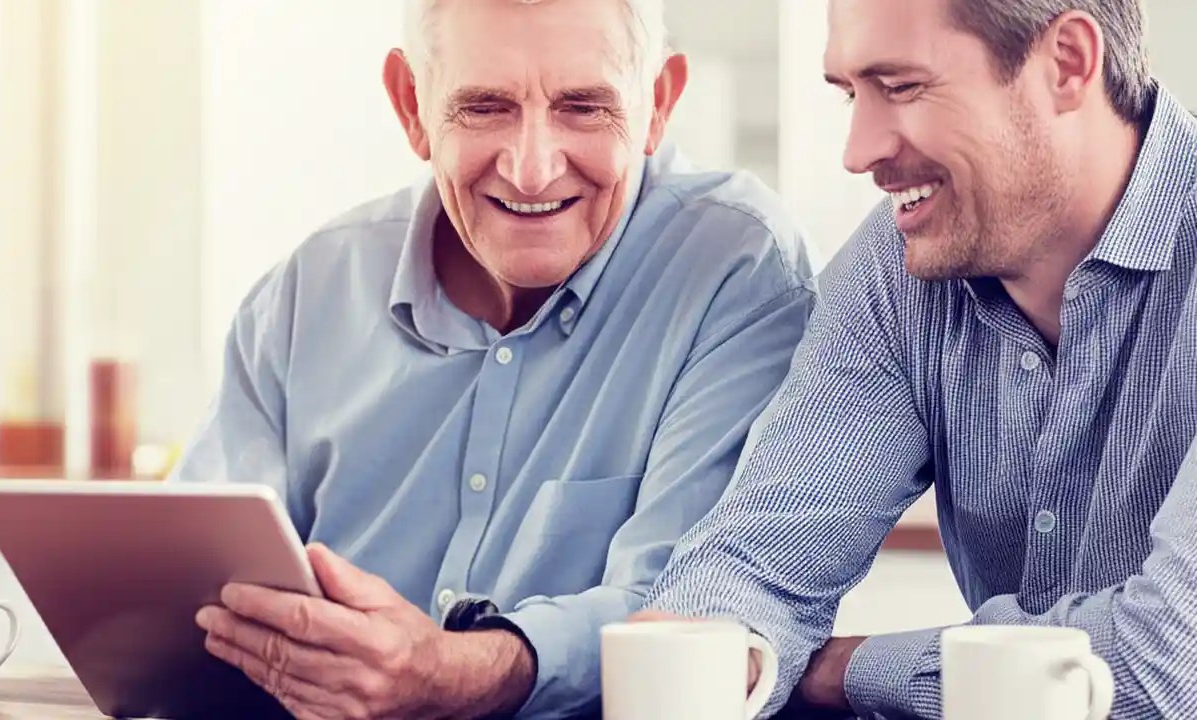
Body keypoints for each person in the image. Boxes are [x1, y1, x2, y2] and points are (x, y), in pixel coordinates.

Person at [171, 0, 814, 717]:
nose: (532, 170)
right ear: (412, 106)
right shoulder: (313, 286)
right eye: (484, 108)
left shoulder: (732, 264)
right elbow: (182, 583)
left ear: (657, 103)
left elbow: (694, 617)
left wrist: (454, 671)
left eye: (583, 107)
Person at [641, 0, 1197, 717]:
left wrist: (849, 670)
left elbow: (1167, 669)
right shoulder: (899, 265)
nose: (857, 152)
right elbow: (758, 565)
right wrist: (709, 648)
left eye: (902, 87)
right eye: (851, 94)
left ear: (1066, 65)